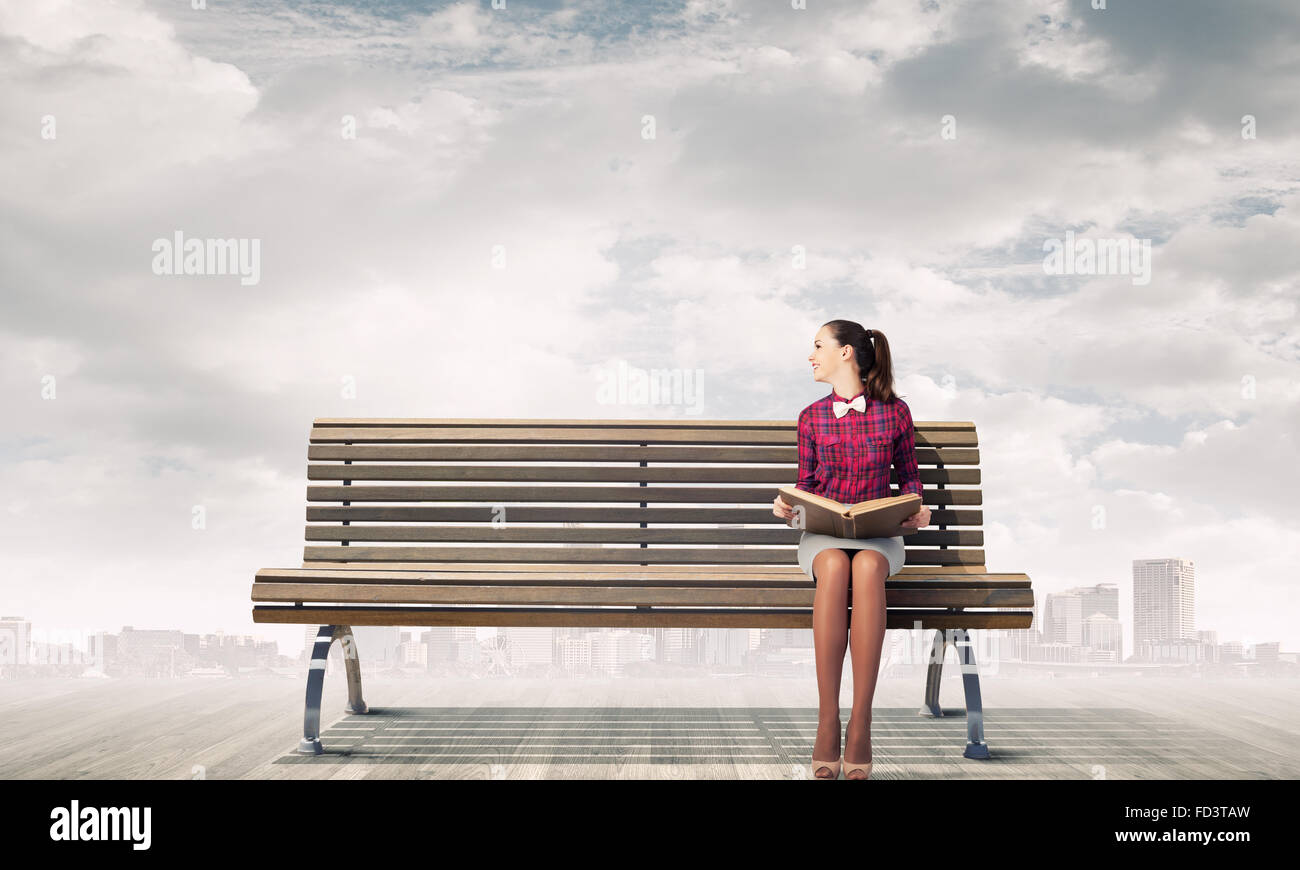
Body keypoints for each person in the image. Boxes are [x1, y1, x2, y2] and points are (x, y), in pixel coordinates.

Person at [772, 320, 931, 780]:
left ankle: (861, 721)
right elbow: (806, 487)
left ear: (846, 354)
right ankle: (827, 720)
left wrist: (918, 512)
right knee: (836, 568)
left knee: (864, 570)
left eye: (818, 346)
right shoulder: (811, 416)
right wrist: (788, 508)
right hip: (823, 537)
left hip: (879, 537)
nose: (811, 355)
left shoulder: (895, 412)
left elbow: (911, 478)